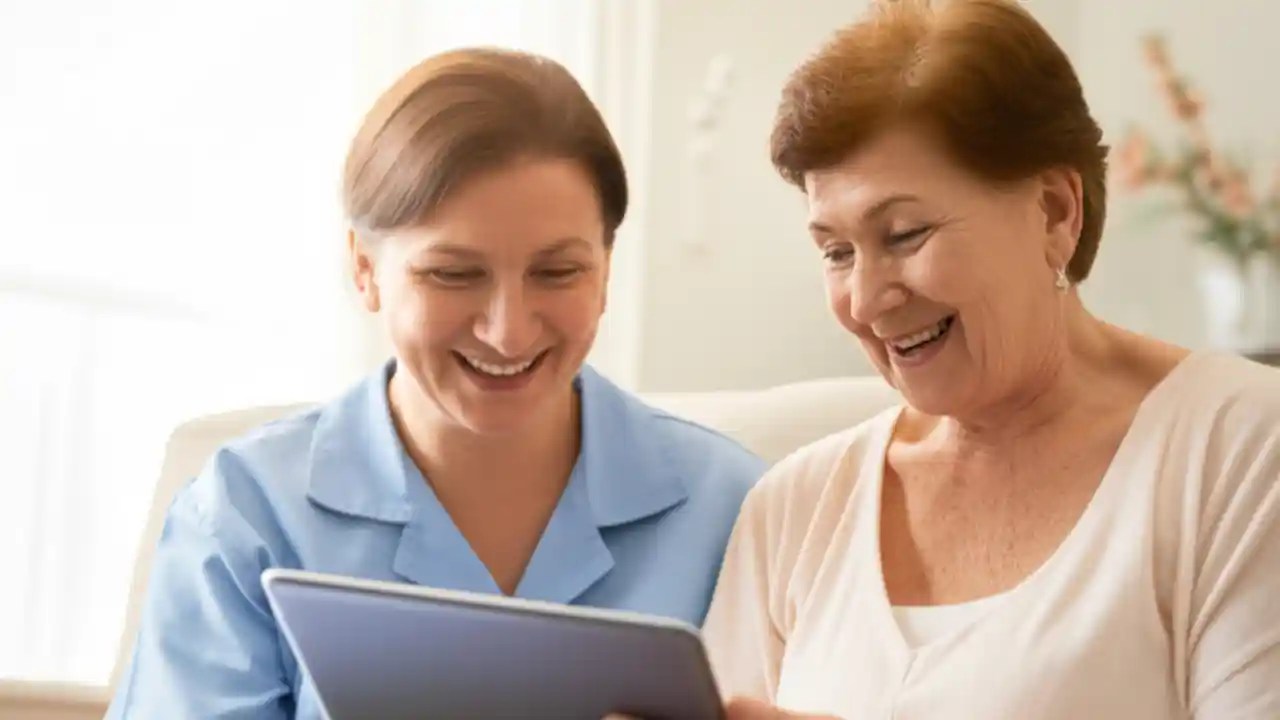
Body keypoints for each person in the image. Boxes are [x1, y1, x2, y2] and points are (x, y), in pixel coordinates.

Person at [106, 48, 765, 719]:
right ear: (365, 270)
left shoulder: (742, 508)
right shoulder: (244, 513)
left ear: (606, 268)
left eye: (558, 272)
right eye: (453, 274)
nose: (508, 332)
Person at [698, 1, 1280, 718]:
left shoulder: (1245, 451)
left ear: (1056, 212)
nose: (868, 298)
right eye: (837, 252)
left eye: (906, 234)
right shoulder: (796, 507)